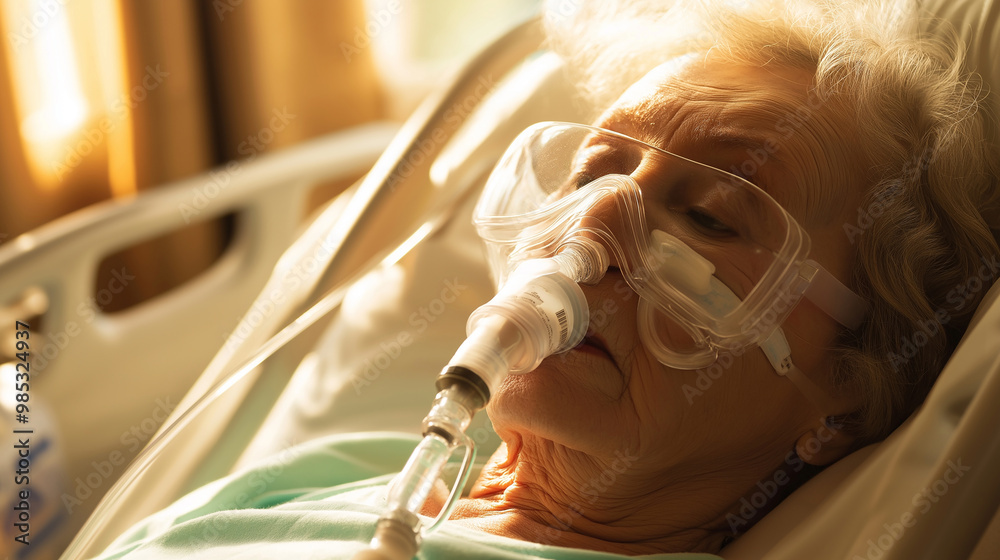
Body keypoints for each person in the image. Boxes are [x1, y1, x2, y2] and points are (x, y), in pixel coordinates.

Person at [93, 0, 999, 558]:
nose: (595, 226)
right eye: (593, 172)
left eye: (713, 215)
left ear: (840, 396)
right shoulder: (336, 474)